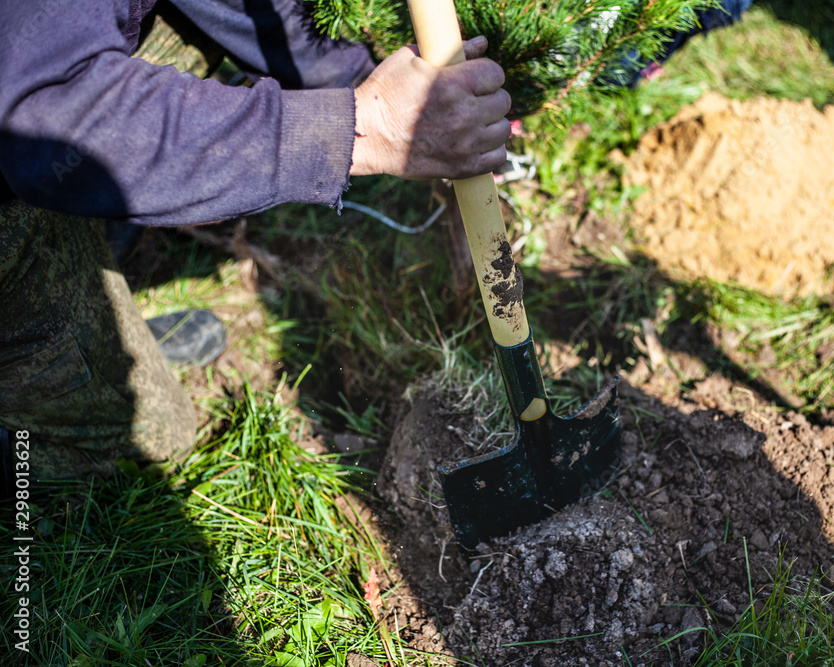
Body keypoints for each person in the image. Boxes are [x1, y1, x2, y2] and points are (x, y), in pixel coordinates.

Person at [0, 0, 512, 485]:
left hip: (32, 96)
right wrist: (362, 126)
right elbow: (52, 116)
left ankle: (89, 304)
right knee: (147, 432)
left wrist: (376, 86)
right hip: (34, 132)